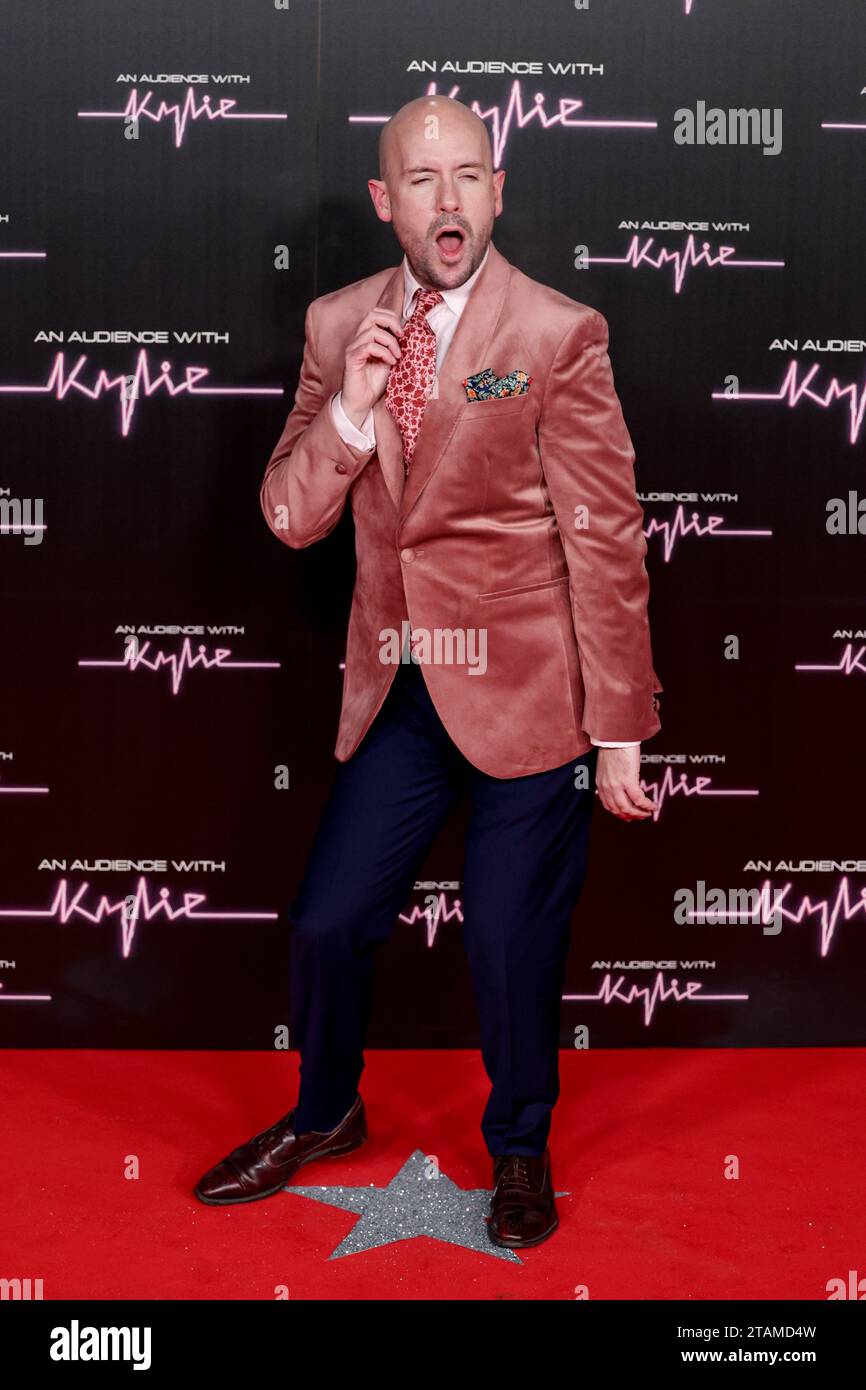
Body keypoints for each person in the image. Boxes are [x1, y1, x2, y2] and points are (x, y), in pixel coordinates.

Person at [195, 94, 662, 1248]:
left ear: (496, 190)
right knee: (326, 920)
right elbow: (289, 518)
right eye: (421, 179)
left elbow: (603, 536)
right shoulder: (334, 323)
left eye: (467, 177)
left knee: (508, 940)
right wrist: (350, 412)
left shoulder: (559, 334)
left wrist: (618, 726)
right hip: (403, 681)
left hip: (533, 693)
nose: (445, 200)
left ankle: (518, 1147)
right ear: (384, 200)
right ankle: (324, 1110)